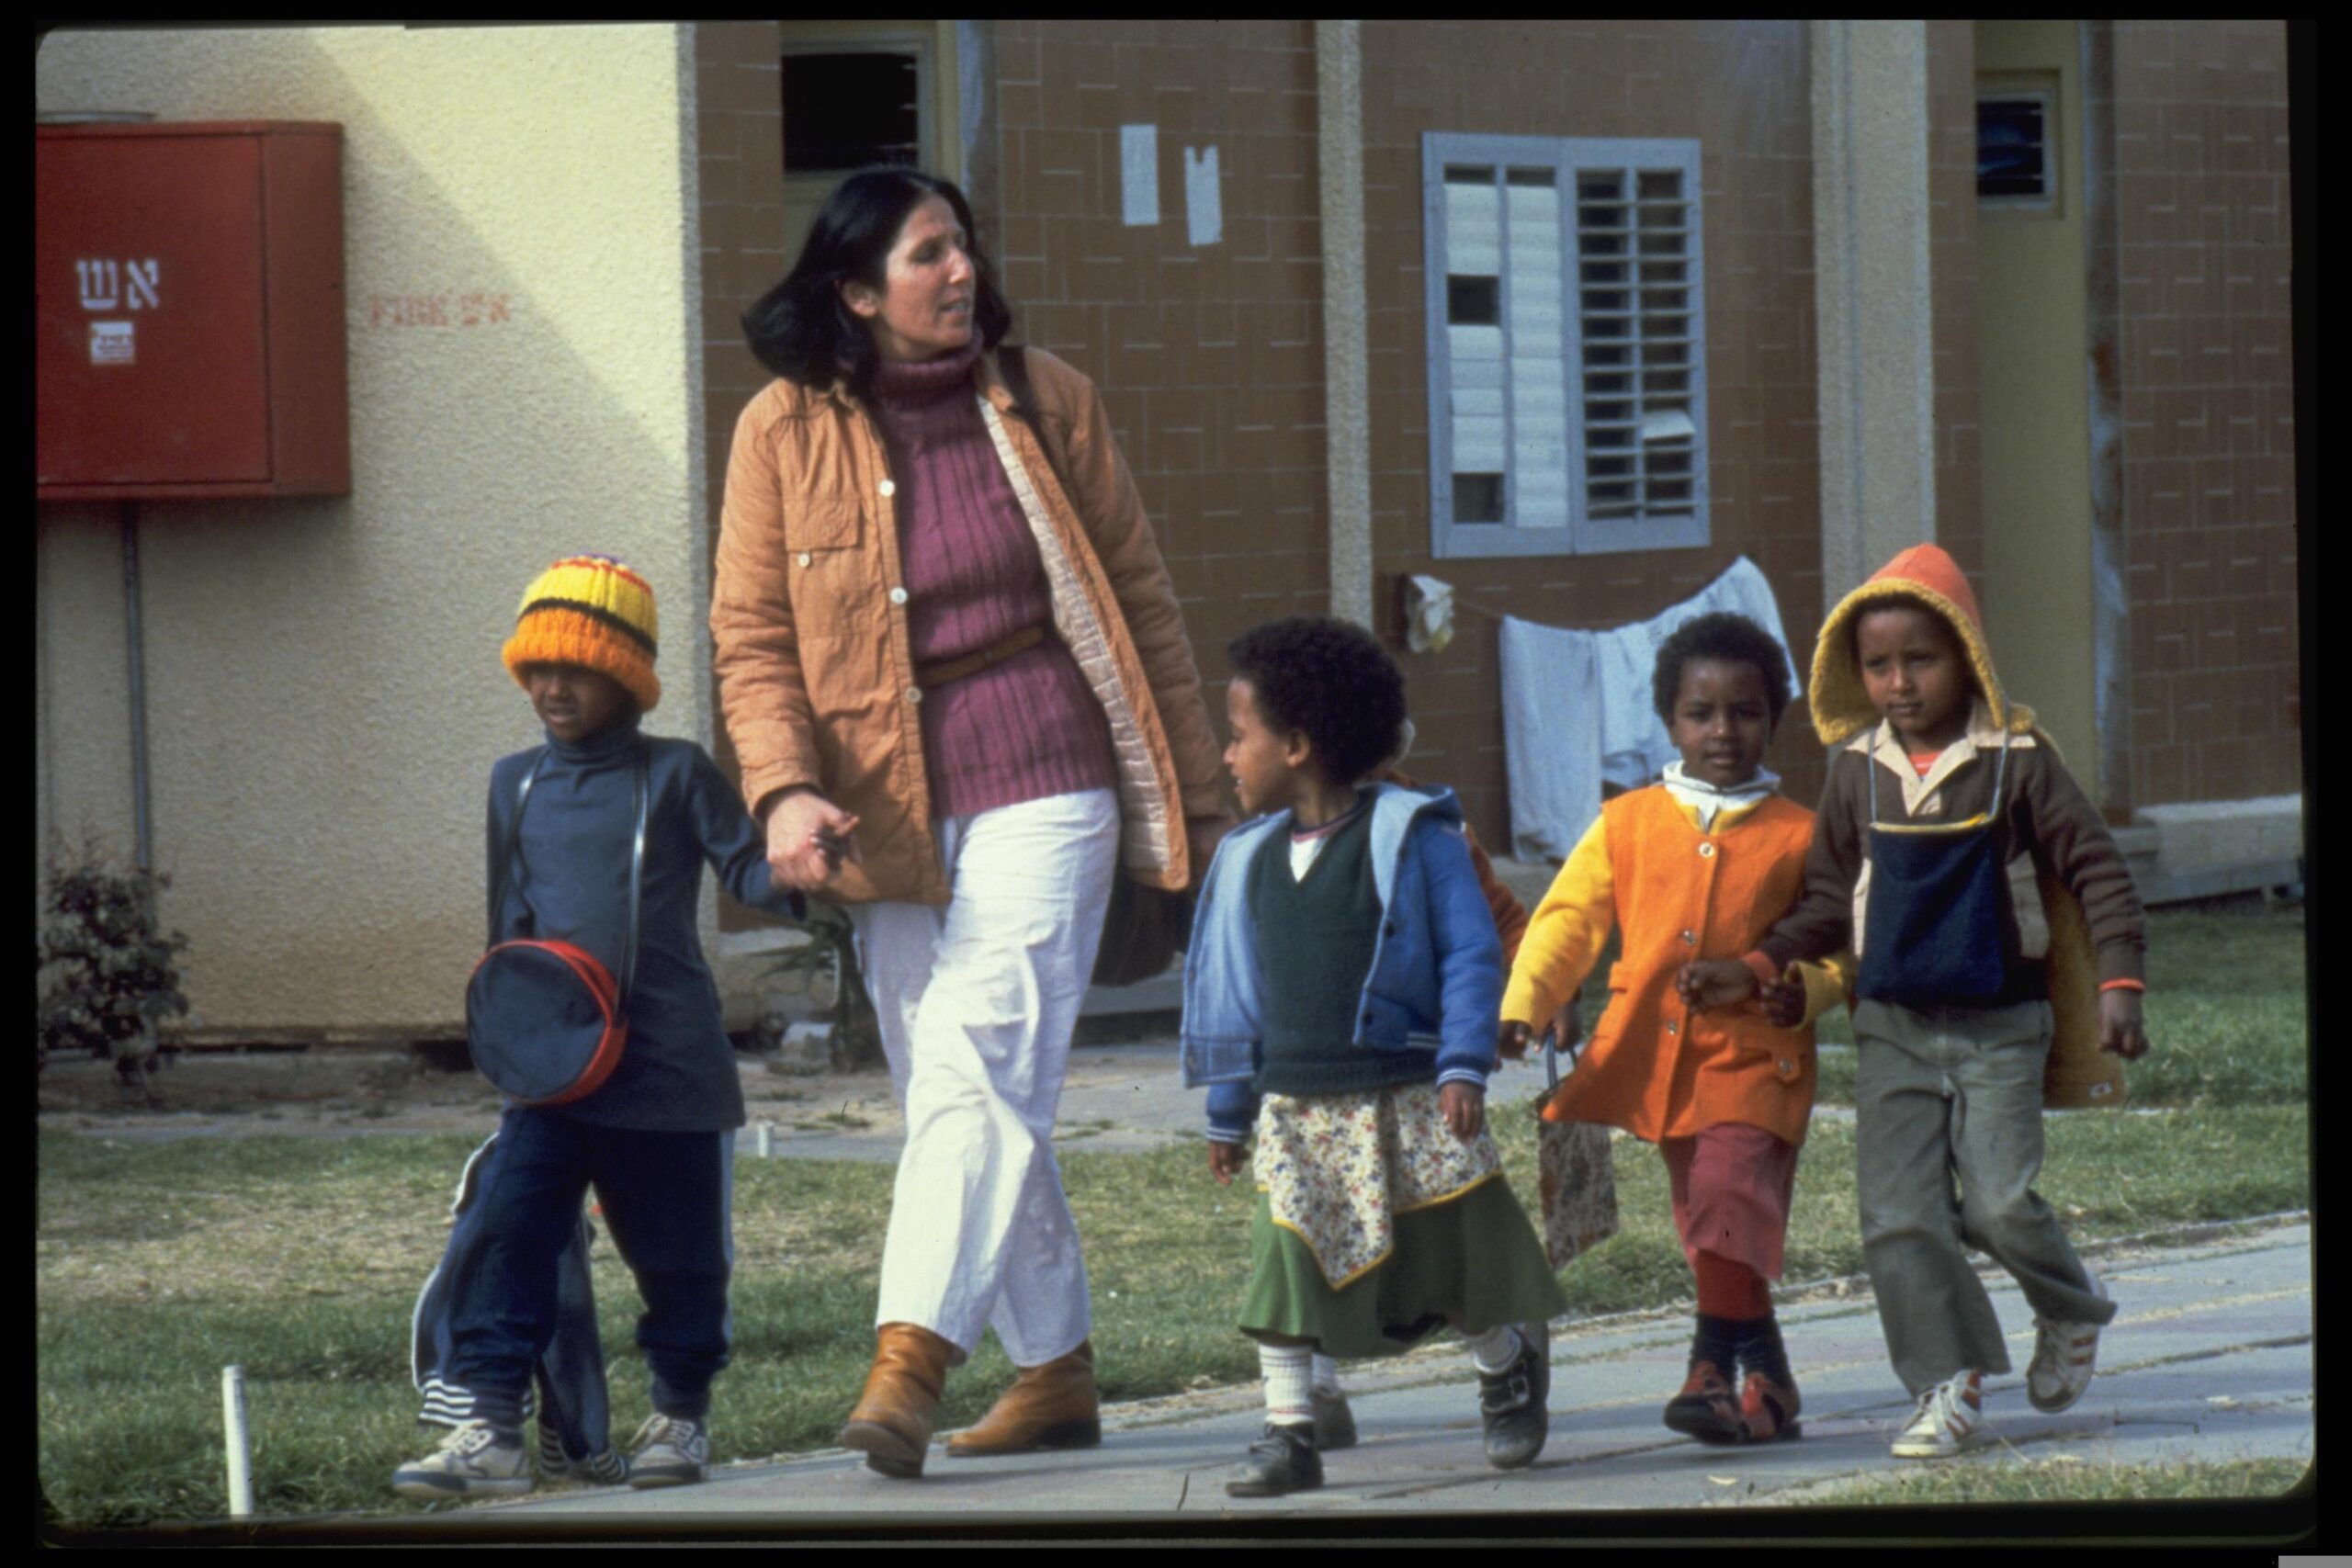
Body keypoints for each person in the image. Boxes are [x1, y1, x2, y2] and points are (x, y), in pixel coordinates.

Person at [710, 170, 1227, 1479]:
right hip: (878, 798)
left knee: (978, 1055)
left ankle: (909, 1359)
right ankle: (1054, 1368)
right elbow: (752, 637)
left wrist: (1201, 810)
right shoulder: (781, 428)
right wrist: (779, 789)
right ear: (856, 289)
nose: (959, 271)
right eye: (927, 253)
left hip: (1048, 760)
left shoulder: (1047, 399)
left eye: (963, 247)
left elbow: (1144, 604)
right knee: (960, 1082)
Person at [1680, 543, 2151, 1459]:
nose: (1898, 682)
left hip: (1998, 1026)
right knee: (1898, 1218)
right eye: (1877, 664)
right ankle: (1946, 1384)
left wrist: (2118, 983)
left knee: (2000, 1204)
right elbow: (1825, 897)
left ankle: (2069, 1308)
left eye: (1919, 660)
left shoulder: (2014, 760)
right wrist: (1757, 962)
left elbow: (2096, 869)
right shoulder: (1856, 768)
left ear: (1965, 656)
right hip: (1890, 1027)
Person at [392, 554, 804, 1499]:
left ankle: (679, 1414)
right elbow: (511, 935)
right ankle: (490, 1430)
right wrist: (515, 1055)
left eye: (573, 667)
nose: (550, 686)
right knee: (510, 1231)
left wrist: (809, 867)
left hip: (667, 1065)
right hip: (551, 1074)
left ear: (625, 674)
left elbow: (750, 873)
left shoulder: (676, 774)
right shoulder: (513, 785)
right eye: (535, 667)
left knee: (680, 1257)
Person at [1182, 616, 1566, 1497]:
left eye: (1238, 735)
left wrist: (1463, 1062)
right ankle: (1289, 1433)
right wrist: (1228, 1113)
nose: (1225, 754)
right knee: (1286, 1262)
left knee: (1448, 1264)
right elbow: (1239, 1000)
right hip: (1299, 1110)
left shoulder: (1413, 834)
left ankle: (1505, 1362)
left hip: (1408, 1099)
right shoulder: (1246, 861)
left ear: (1299, 744)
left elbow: (1471, 953)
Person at [1500, 612, 1846, 1448]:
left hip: (1762, 1059)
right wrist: (1526, 1002)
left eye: (1746, 712)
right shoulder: (1627, 822)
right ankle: (1770, 1379)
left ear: (1775, 717)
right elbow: (1567, 920)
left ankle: (1704, 1367)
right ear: (1669, 720)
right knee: (1709, 1220)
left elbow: (1843, 945)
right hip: (1661, 1065)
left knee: (1729, 1193)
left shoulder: (1805, 832)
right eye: (1702, 713)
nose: (1723, 731)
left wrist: (1805, 988)